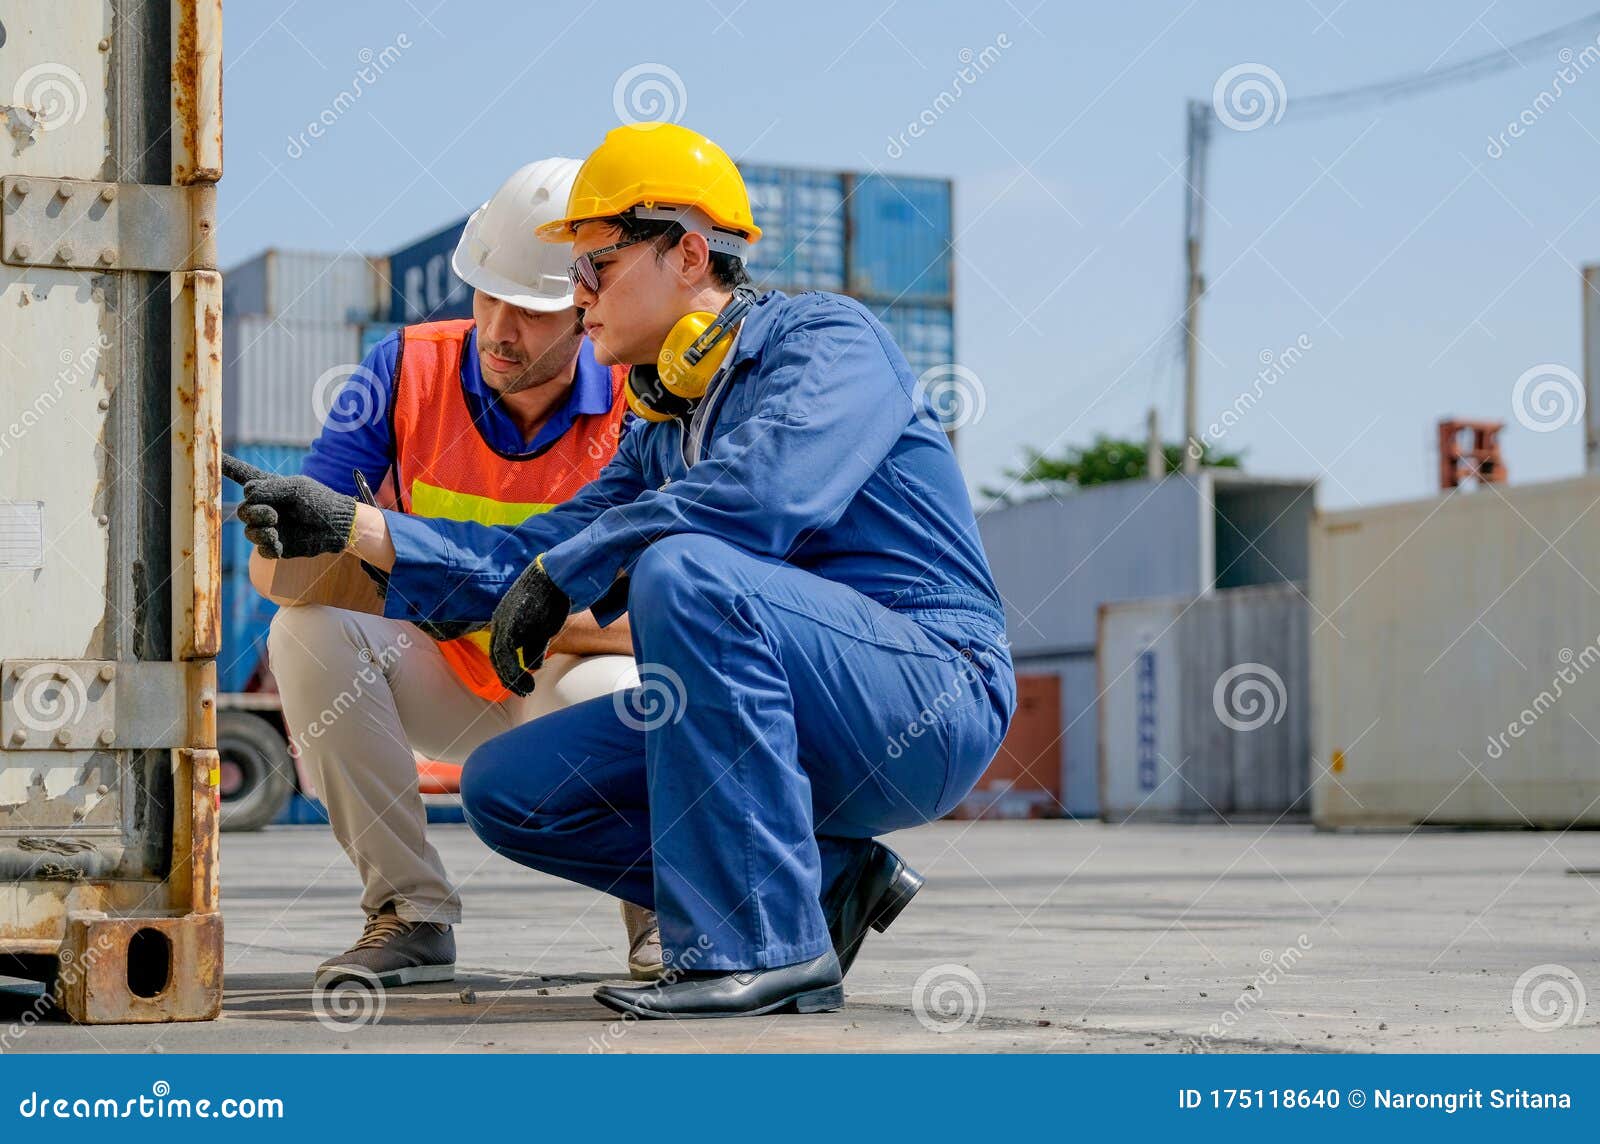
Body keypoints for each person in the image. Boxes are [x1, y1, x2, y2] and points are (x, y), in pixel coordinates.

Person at [232, 123, 1016, 1019]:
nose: (578, 295)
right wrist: (353, 526)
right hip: (794, 722)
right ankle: (826, 879)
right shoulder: (662, 428)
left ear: (688, 253)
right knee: (514, 792)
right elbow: (535, 552)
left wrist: (570, 571)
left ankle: (767, 949)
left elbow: (765, 494)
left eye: (593, 269)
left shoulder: (826, 340)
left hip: (924, 697)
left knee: (687, 570)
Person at [227, 158, 661, 990]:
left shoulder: (639, 402)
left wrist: (474, 596)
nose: (499, 329)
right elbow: (299, 571)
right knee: (305, 633)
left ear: (586, 307)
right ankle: (411, 913)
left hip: (562, 687)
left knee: (617, 684)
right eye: (486, 295)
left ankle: (660, 909)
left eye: (531, 311)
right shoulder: (403, 370)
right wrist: (289, 544)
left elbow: (669, 617)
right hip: (447, 685)